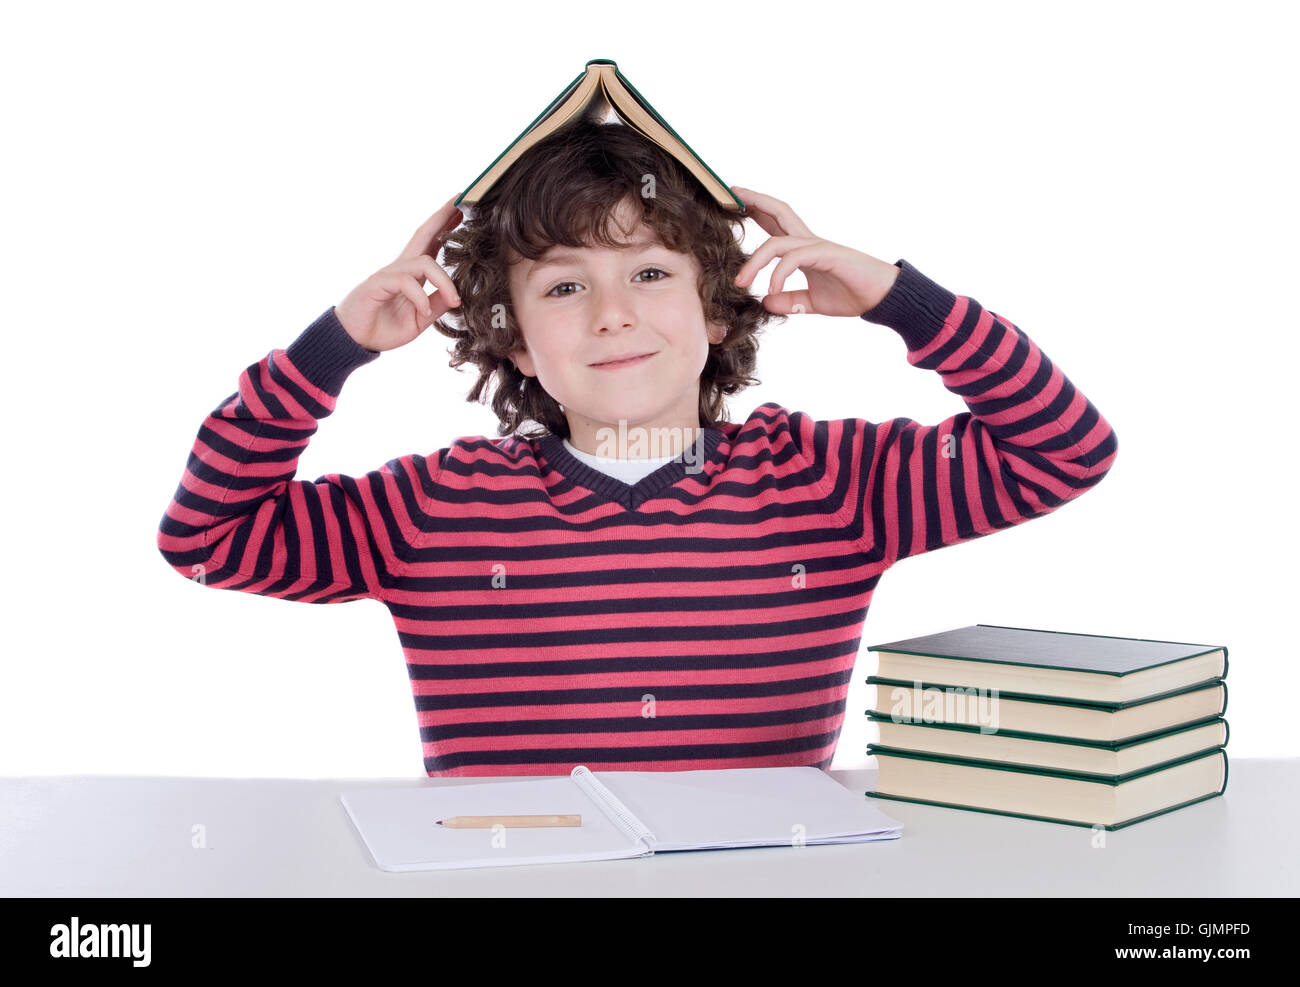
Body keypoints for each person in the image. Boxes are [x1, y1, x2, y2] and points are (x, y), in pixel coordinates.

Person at [157, 121, 1118, 777]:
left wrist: (898, 301)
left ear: (715, 305)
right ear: (519, 339)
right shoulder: (434, 507)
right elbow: (207, 537)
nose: (614, 314)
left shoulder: (830, 482)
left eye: (650, 273)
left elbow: (1063, 450)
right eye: (564, 287)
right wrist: (333, 348)